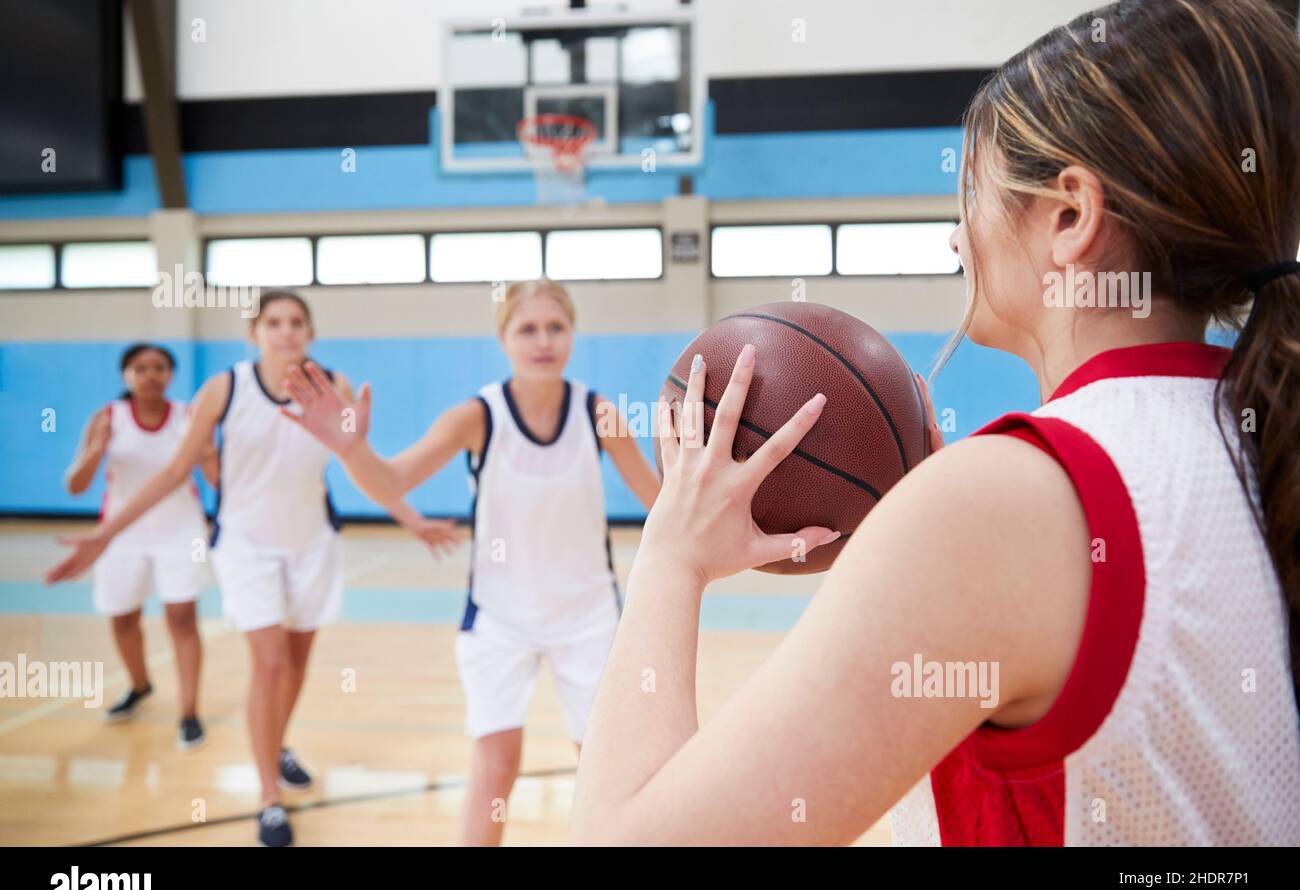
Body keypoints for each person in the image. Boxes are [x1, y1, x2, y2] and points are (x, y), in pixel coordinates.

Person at [570, 0, 1300, 846]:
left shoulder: (1005, 503)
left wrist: (671, 554)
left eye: (974, 196)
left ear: (1070, 216)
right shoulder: (1259, 432)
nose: (959, 241)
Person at [282, 278, 660, 845]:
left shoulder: (599, 411)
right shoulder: (477, 416)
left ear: (573, 333)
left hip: (589, 617)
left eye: (556, 327)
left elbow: (660, 505)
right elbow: (392, 480)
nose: (543, 341)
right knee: (495, 765)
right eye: (527, 328)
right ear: (503, 338)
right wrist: (351, 449)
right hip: (499, 617)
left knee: (602, 768)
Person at [46, 291, 384, 847]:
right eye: (273, 322)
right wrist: (106, 534)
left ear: (311, 332)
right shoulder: (225, 389)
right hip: (245, 544)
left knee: (297, 663)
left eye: (297, 322)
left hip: (311, 540)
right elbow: (176, 471)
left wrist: (367, 453)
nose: (286, 331)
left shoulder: (335, 386)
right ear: (254, 333)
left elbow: (359, 461)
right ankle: (268, 799)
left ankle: (276, 745)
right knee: (270, 663)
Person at [64, 343, 216, 748]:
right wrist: (95, 452)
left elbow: (219, 480)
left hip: (181, 530)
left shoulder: (190, 417)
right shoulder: (107, 419)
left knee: (182, 617)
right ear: (125, 375)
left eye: (160, 367)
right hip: (120, 534)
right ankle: (139, 685)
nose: (150, 374)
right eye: (140, 367)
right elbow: (76, 486)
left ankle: (189, 712)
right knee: (122, 618)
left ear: (171, 374)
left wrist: (209, 456)